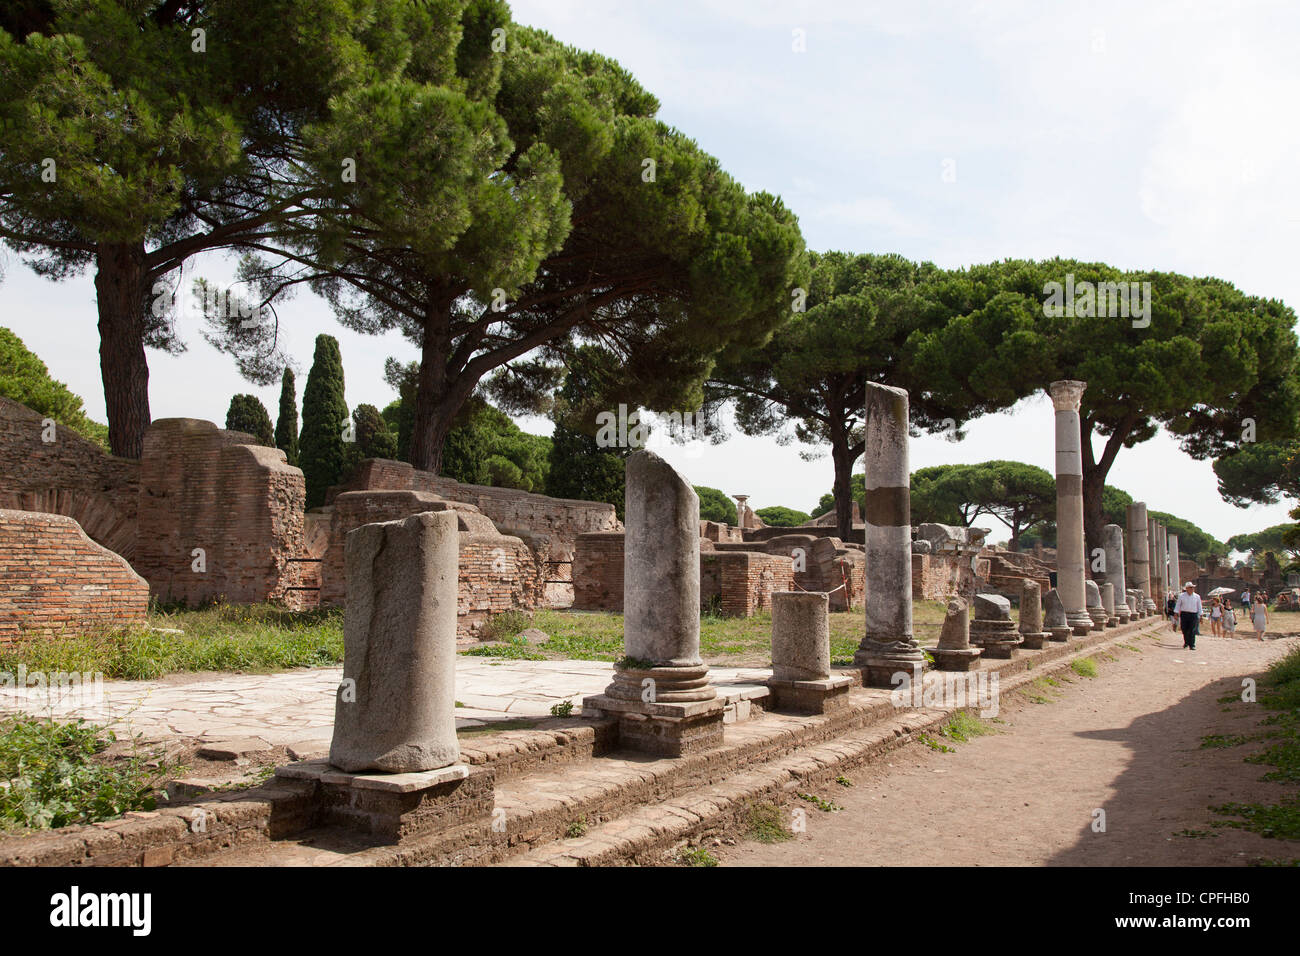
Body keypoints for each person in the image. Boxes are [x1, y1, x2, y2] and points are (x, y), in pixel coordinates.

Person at [1175, 582, 1203, 650]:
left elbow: (1199, 606)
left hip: (1193, 614)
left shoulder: (1197, 596)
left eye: (1192, 587)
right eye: (1190, 587)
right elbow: (1178, 605)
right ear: (1187, 588)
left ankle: (1192, 644)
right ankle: (1186, 642)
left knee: (1192, 629)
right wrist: (1176, 613)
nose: (1192, 589)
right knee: (1184, 629)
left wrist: (1201, 615)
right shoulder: (1181, 596)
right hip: (1184, 614)